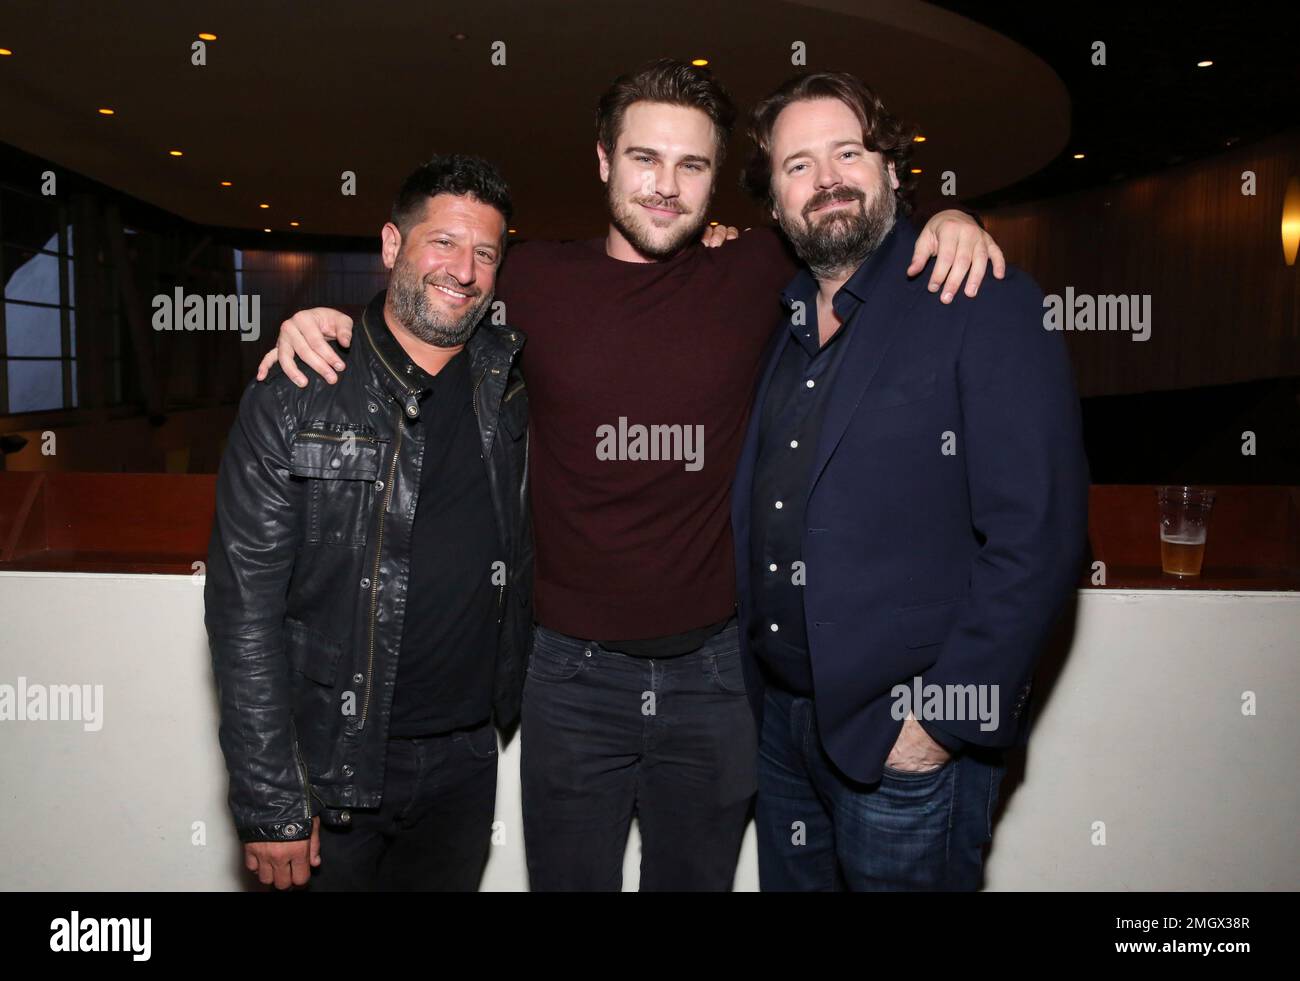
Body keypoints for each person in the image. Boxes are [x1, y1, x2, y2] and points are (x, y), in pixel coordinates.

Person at [257, 59, 1004, 891]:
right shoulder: (532, 282)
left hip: (717, 678)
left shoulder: (758, 273)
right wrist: (329, 325)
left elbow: (853, 235)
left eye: (692, 166)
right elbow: (428, 307)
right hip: (568, 678)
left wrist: (950, 217)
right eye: (645, 159)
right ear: (605, 161)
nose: (666, 187)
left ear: (717, 183)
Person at [733, 72, 1090, 890]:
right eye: (797, 164)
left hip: (904, 742)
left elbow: (1040, 535)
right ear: (776, 203)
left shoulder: (978, 296)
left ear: (893, 170)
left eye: (848, 151)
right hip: (785, 729)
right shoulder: (782, 322)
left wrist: (939, 723)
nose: (825, 178)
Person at [205, 155, 533, 890]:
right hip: (332, 770)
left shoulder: (505, 384)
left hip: (464, 763)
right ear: (392, 247)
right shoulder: (297, 393)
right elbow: (243, 611)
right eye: (442, 242)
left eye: (485, 252)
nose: (465, 269)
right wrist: (273, 804)